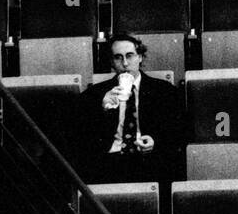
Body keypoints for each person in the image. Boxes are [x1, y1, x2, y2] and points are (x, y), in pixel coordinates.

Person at [77, 32, 182, 187]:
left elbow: (178, 131)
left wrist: (155, 142)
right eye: (118, 57)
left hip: (148, 159)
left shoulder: (164, 90)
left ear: (140, 57)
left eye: (130, 56)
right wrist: (102, 110)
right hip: (109, 162)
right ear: (112, 62)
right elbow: (83, 137)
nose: (125, 63)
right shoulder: (95, 94)